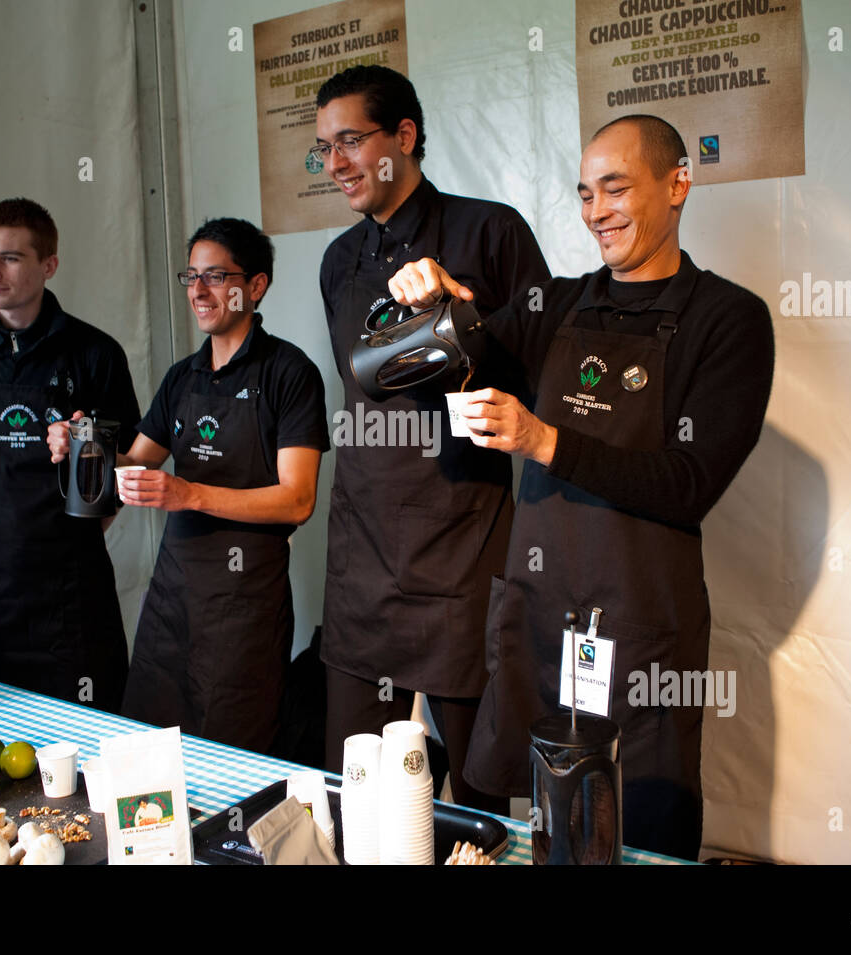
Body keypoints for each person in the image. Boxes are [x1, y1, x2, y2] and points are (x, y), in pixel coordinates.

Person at [387, 115, 775, 859]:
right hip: (546, 610)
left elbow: (688, 483)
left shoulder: (728, 320)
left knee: (646, 823)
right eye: (586, 192)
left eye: (617, 188)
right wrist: (438, 298)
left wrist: (543, 439)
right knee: (554, 818)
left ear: (678, 184)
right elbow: (467, 352)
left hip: (643, 625)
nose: (598, 210)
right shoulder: (557, 305)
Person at [313, 65, 550, 810]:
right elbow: (367, 393)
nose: (335, 163)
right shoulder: (336, 262)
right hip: (362, 563)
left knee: (478, 799)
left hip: (461, 557)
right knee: (360, 793)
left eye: (350, 140)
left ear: (404, 136)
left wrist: (458, 310)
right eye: (323, 148)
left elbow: (542, 375)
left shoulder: (491, 231)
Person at [49, 218, 328, 753]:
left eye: (216, 276)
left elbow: (298, 499)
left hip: (245, 606)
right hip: (172, 600)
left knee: (231, 754)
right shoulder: (183, 377)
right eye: (191, 276)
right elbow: (135, 458)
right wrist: (82, 443)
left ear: (256, 286)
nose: (198, 291)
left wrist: (187, 494)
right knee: (150, 746)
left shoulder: (289, 374)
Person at [0, 197, 140, 711]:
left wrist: (70, 532)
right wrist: (1, 530)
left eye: (10, 258)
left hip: (70, 591)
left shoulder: (95, 355)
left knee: (90, 733)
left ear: (49, 265)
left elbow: (127, 464)